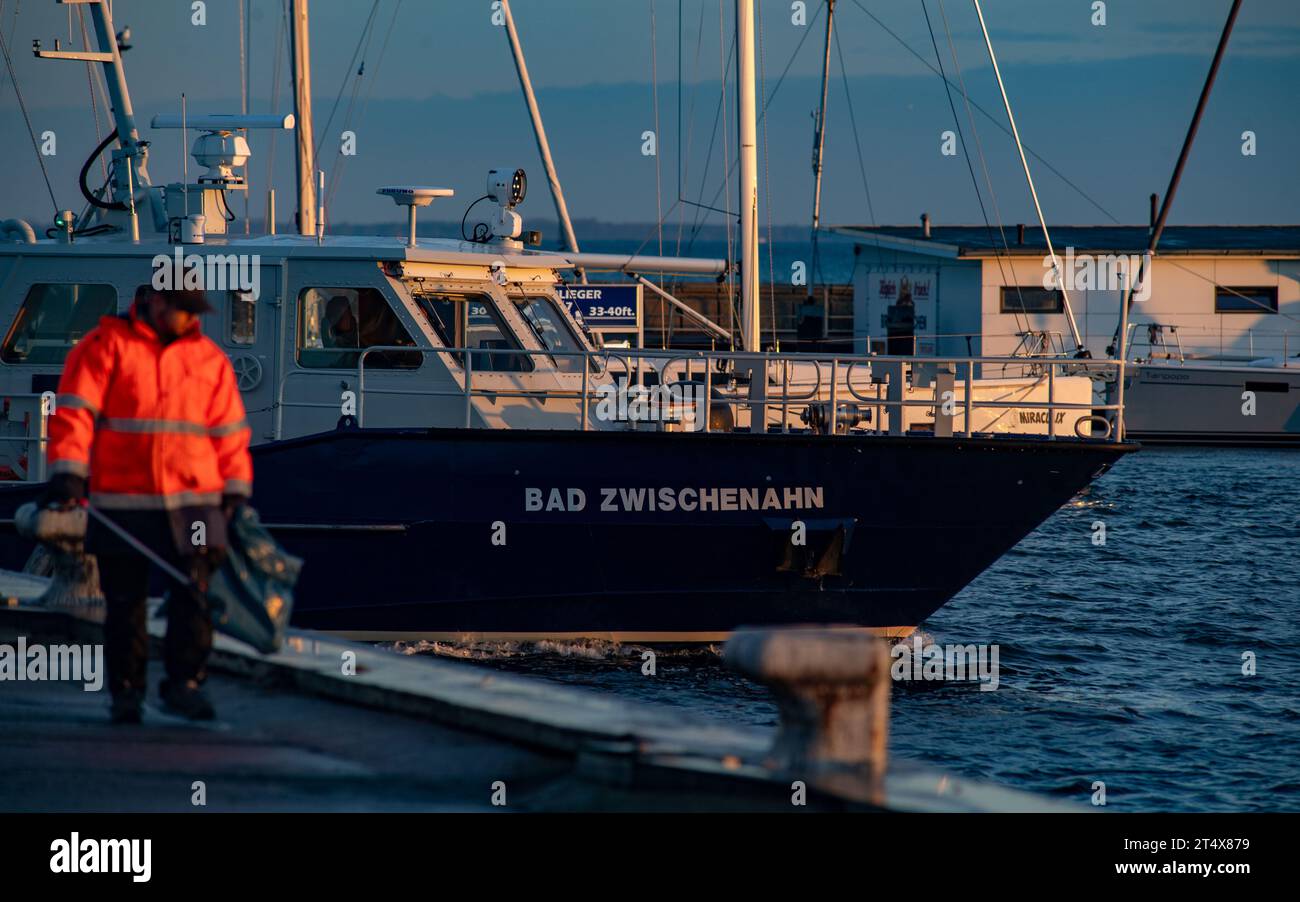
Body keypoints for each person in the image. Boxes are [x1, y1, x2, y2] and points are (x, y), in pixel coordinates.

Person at [43, 285, 253, 724]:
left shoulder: (208, 359)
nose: (186, 320)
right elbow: (75, 413)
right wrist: (67, 471)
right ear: (155, 301)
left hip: (194, 501)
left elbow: (229, 430)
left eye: (192, 312)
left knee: (195, 595)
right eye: (180, 310)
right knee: (124, 602)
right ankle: (126, 691)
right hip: (123, 499)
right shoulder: (104, 347)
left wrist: (235, 486)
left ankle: (185, 684)